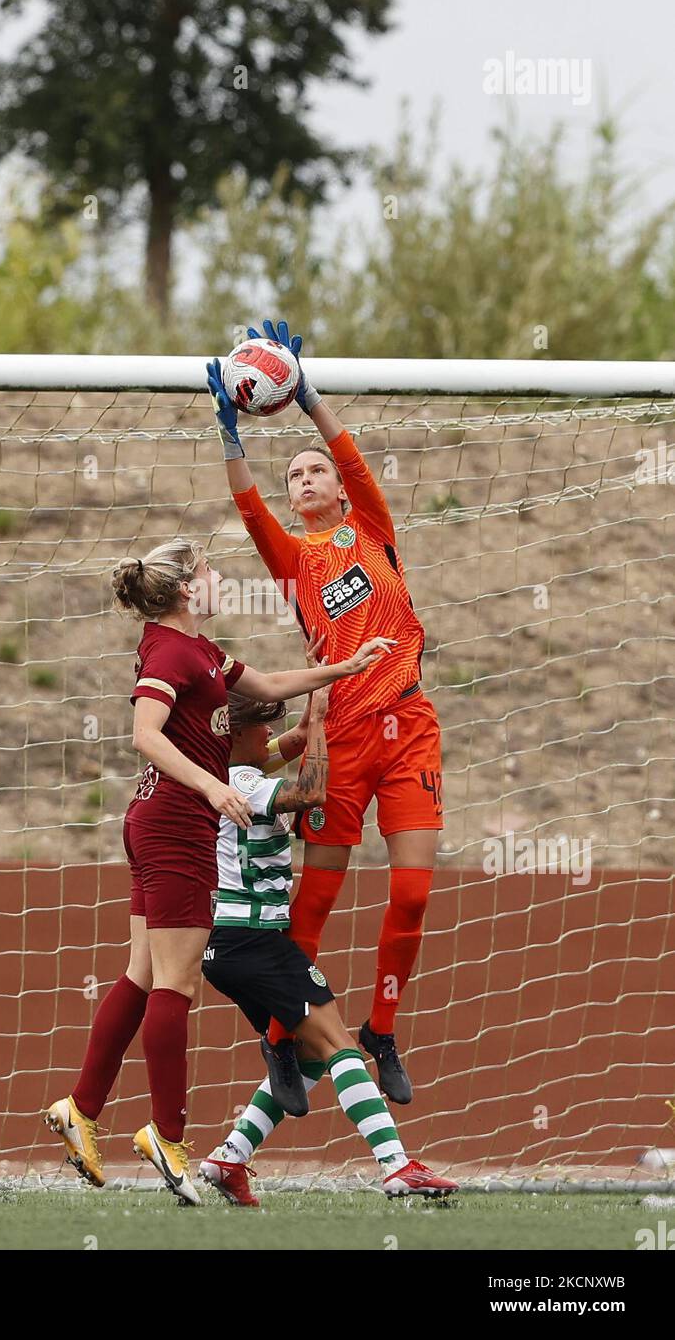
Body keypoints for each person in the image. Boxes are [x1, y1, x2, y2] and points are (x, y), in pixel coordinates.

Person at [44, 536, 394, 1205]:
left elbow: (265, 687)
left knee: (143, 975)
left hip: (157, 818)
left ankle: (82, 1112)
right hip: (175, 824)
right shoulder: (173, 651)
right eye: (208, 570)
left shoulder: (200, 651)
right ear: (184, 589)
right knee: (177, 984)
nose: (219, 576)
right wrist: (210, 787)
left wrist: (345, 666)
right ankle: (168, 1138)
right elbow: (146, 734)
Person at [208, 319, 444, 1104]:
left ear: (339, 489)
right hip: (338, 739)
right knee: (312, 902)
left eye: (315, 472)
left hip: (409, 728)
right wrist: (231, 432)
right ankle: (280, 1042)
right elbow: (246, 507)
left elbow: (349, 453)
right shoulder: (294, 559)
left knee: (411, 892)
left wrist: (308, 397)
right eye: (294, 478)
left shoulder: (372, 527)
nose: (305, 480)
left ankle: (381, 1030)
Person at [198, 683, 457, 1206]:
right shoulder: (244, 782)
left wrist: (315, 714)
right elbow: (310, 792)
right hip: (256, 944)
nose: (272, 733)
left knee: (316, 1056)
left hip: (232, 946)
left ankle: (228, 1158)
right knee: (341, 1046)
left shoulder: (220, 775)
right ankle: (396, 1166)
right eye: (264, 725)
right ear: (240, 733)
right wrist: (318, 731)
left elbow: (283, 749)